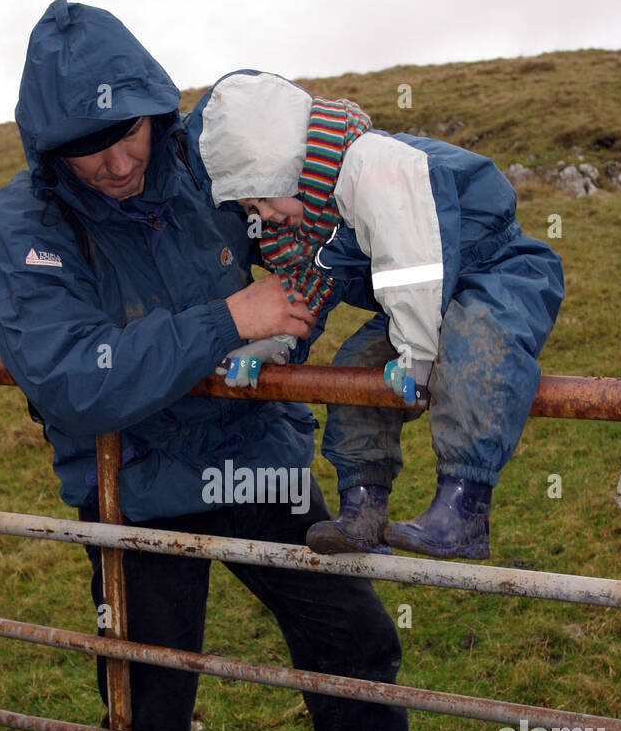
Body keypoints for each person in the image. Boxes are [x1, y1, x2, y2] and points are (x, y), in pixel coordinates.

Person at [0, 0, 516, 731]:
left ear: (152, 107)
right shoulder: (30, 224)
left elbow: (307, 253)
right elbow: (70, 378)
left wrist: (297, 315)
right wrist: (223, 321)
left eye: (128, 130)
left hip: (256, 464)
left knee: (355, 646)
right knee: (148, 702)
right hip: (133, 486)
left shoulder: (212, 160)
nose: (115, 161)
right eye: (85, 147)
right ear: (49, 147)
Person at [186, 70, 565, 560]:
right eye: (251, 206)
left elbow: (414, 262)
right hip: (424, 304)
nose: (265, 216)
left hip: (495, 272)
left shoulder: (373, 166)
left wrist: (417, 355)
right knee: (357, 368)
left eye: (262, 197)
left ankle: (464, 504)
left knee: (477, 348)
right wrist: (271, 345)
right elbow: (306, 289)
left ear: (292, 166)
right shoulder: (312, 219)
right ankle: (362, 510)